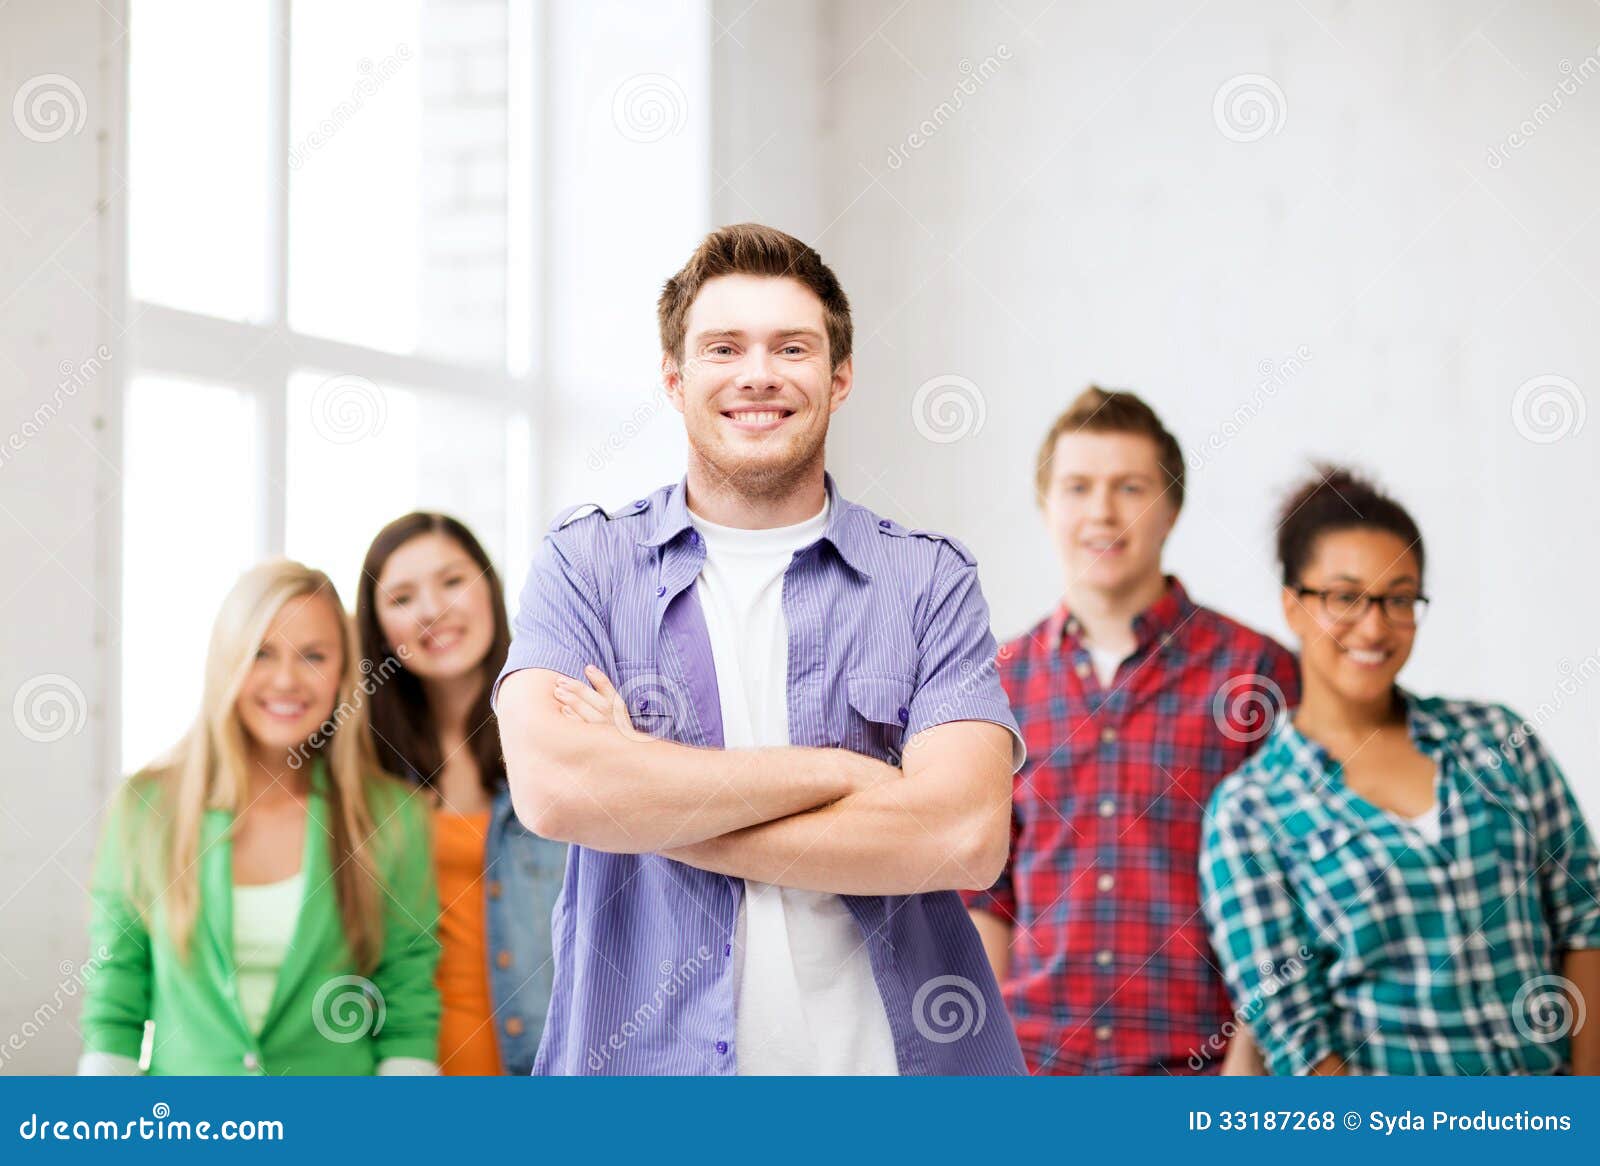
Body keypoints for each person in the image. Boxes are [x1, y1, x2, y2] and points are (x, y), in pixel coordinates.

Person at [495, 222, 1027, 1075]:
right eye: (723, 347)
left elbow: (963, 834)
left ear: (839, 376)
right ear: (674, 380)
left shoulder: (930, 582)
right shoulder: (586, 565)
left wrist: (649, 804)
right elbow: (557, 791)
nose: (758, 374)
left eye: (792, 346)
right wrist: (841, 773)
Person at [1201, 466, 1600, 1075]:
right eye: (1344, 596)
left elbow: (1585, 919)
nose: (1374, 625)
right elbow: (1300, 1042)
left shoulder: (1499, 738)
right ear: (1294, 606)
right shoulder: (1250, 813)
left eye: (1399, 598)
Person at [963, 386, 1299, 1074]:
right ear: (1045, 504)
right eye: (1078, 486)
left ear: (1170, 507)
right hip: (1038, 1074)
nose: (1101, 512)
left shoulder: (1256, 674)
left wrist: (1246, 1072)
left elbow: (1291, 892)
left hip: (1201, 1074)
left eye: (1130, 487)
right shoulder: (997, 682)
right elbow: (985, 896)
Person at [78, 560, 439, 1075]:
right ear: (226, 662)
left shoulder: (393, 815)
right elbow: (115, 1004)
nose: (287, 679)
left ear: (342, 673)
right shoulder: (146, 806)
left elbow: (406, 1005)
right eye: (261, 653)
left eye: (313, 656)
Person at [357, 512, 566, 1075]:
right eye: (402, 596)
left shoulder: (558, 735)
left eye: (452, 582)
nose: (432, 610)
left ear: (490, 589)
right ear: (376, 626)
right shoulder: (362, 765)